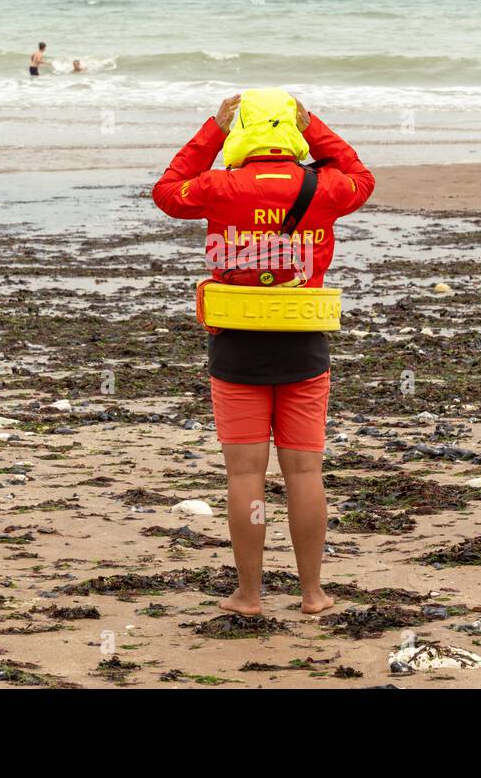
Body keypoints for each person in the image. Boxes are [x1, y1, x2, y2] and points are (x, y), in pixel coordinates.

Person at [152, 89, 374, 616]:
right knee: (304, 474)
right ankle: (313, 594)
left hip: (237, 346)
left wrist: (211, 128)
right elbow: (362, 177)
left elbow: (165, 192)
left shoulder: (217, 186)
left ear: (241, 131)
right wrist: (313, 123)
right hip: (303, 342)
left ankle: (248, 595)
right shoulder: (324, 188)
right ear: (289, 131)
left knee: (244, 476)